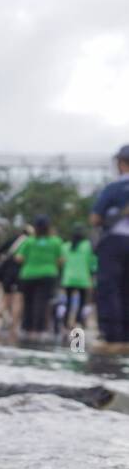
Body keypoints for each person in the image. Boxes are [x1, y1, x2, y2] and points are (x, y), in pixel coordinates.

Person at [89, 145, 129, 346]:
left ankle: (112, 335)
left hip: (114, 242)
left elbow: (95, 218)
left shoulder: (113, 188)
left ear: (121, 163)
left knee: (110, 287)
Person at [14, 216, 63, 336]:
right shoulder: (55, 241)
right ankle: (39, 328)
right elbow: (61, 259)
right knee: (42, 302)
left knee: (28, 301)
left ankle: (27, 327)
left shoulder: (29, 241)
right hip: (48, 274)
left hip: (28, 274)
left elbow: (19, 258)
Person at [59, 231, 95, 333]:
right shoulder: (87, 245)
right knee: (82, 302)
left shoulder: (65, 246)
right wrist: (92, 272)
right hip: (83, 278)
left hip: (69, 278)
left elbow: (61, 261)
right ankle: (78, 322)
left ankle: (65, 324)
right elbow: (92, 260)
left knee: (68, 302)